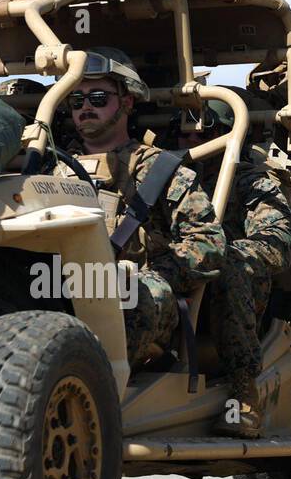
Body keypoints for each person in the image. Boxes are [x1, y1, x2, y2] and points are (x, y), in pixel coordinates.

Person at [63, 47, 224, 370]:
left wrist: (151, 275)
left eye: (97, 97)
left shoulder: (159, 168)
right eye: (76, 100)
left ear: (127, 102)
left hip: (133, 292)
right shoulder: (52, 167)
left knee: (133, 297)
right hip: (60, 283)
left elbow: (209, 244)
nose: (85, 108)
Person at [178, 95, 291, 438]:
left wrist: (220, 253)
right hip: (180, 270)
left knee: (229, 268)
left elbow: (278, 244)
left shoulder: (251, 182)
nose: (190, 140)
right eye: (183, 132)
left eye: (202, 132)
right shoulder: (168, 176)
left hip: (227, 285)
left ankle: (244, 393)